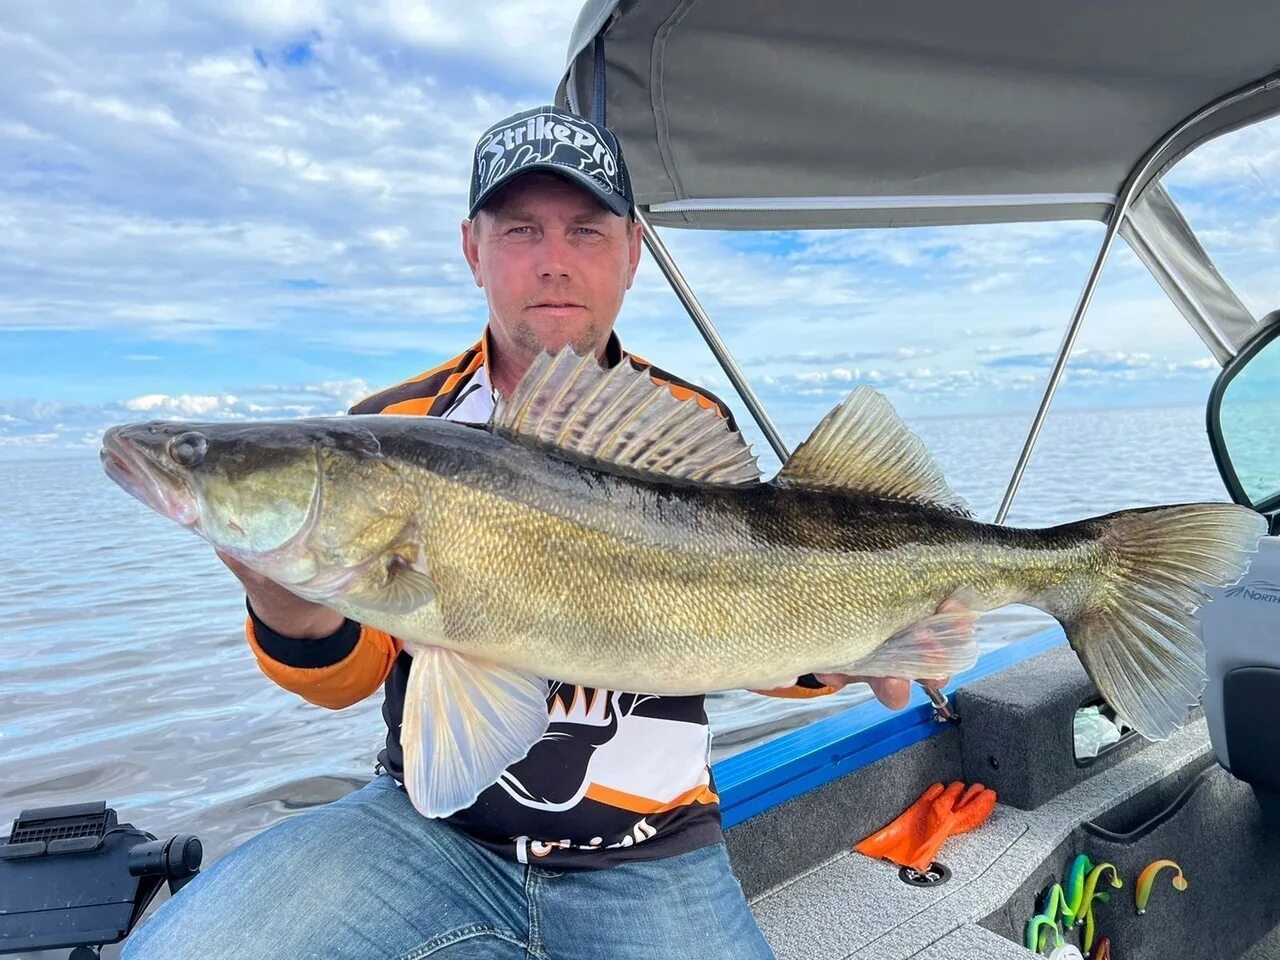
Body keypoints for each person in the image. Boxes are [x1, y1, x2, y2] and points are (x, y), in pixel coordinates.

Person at [122, 106, 936, 960]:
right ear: (473, 248)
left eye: (586, 230)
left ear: (631, 255)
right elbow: (347, 679)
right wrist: (278, 595)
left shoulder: (687, 420)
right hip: (428, 833)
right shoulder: (389, 424)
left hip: (651, 851)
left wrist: (856, 650)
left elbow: (749, 616)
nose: (554, 261)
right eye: (521, 230)